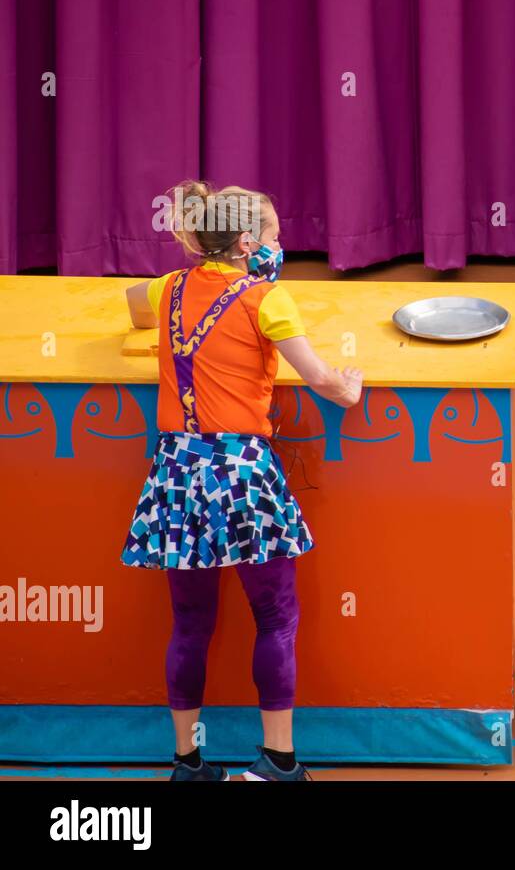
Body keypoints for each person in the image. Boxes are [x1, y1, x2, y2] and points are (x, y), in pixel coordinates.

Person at [121, 182, 362, 781]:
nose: (280, 246)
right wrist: (348, 387)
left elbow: (133, 305)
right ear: (250, 243)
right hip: (243, 473)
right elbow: (322, 382)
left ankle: (187, 764)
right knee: (276, 616)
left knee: (190, 623)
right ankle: (278, 762)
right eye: (275, 236)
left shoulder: (170, 287)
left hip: (177, 472)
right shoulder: (268, 300)